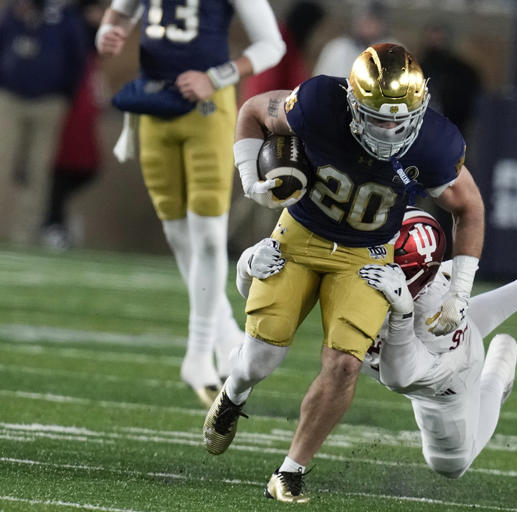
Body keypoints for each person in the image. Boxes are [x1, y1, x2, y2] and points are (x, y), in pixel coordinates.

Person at [202, 43, 485, 502]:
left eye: (399, 118)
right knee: (261, 358)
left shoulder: (435, 141)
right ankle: (233, 394)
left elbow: (469, 208)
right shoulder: (318, 103)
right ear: (352, 103)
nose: (389, 130)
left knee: (345, 364)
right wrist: (250, 181)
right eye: (376, 117)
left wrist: (461, 293)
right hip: (299, 235)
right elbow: (254, 111)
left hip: (367, 255)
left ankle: (290, 470)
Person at [234, 207, 517, 482]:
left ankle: (498, 373)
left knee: (450, 465)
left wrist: (402, 314)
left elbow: (399, 377)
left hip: (446, 372)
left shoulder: (428, 314)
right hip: (431, 321)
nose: (366, 262)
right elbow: (268, 306)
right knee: (482, 309)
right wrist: (248, 266)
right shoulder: (384, 265)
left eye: (381, 257)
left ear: (408, 275)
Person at [95, 0, 286, 407]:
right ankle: (224, 336)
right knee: (178, 234)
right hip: (154, 108)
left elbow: (272, 44)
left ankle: (197, 352)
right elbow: (118, 14)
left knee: (210, 237)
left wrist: (216, 76)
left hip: (207, 111)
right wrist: (106, 34)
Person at [229, 0, 326, 256]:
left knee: (257, 194)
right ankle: (262, 245)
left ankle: (234, 241)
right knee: (272, 188)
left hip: (275, 127)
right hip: (269, 129)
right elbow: (266, 92)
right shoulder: (283, 45)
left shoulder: (290, 45)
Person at [0, 0, 88, 246]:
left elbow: (77, 59)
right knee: (2, 161)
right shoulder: (14, 13)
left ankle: (23, 235)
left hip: (49, 101)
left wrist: (63, 95)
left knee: (39, 170)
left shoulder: (65, 17)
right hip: (10, 98)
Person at [42, 0, 108, 250]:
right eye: (97, 11)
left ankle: (53, 218)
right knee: (62, 166)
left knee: (83, 166)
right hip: (68, 106)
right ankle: (52, 222)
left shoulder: (92, 46)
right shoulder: (70, 28)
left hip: (82, 107)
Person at [312, 0, 392, 78]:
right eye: (365, 18)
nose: (369, 24)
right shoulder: (336, 49)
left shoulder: (393, 50)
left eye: (375, 20)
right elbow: (319, 82)